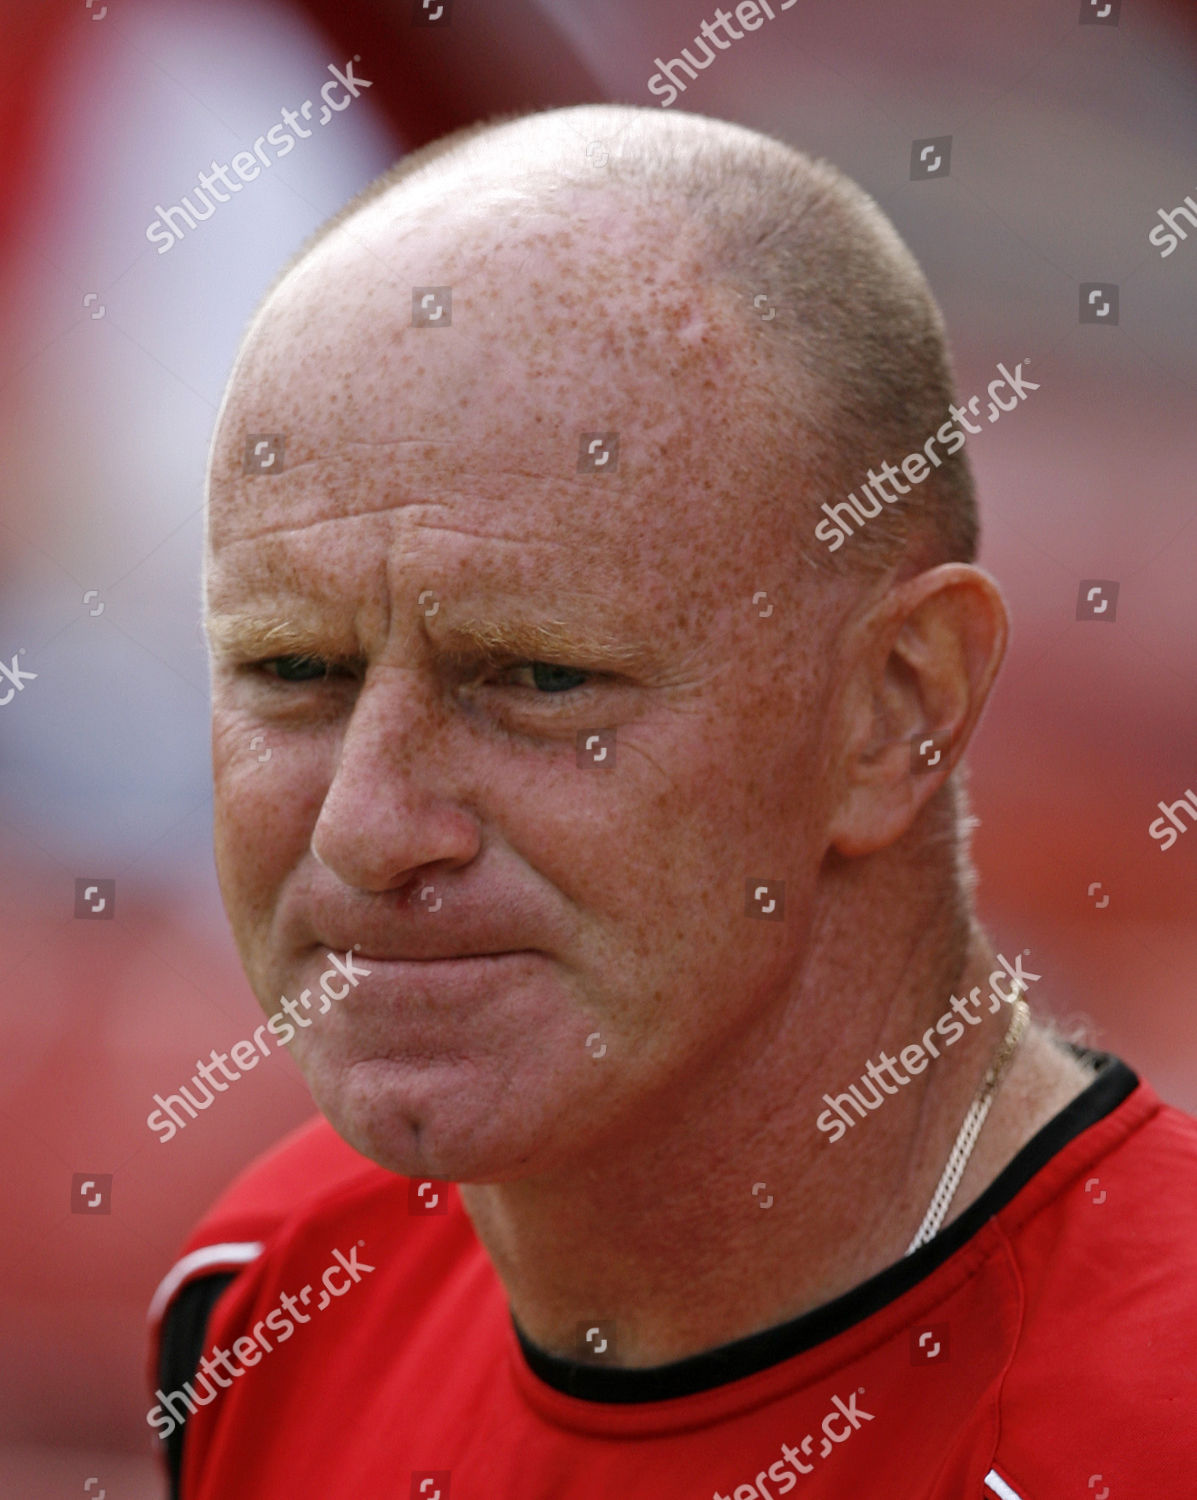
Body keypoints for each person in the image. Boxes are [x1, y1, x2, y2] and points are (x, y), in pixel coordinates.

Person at [147, 103, 1197, 1498]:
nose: (367, 826)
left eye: (534, 676)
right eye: (291, 668)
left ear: (897, 708)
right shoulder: (267, 1302)